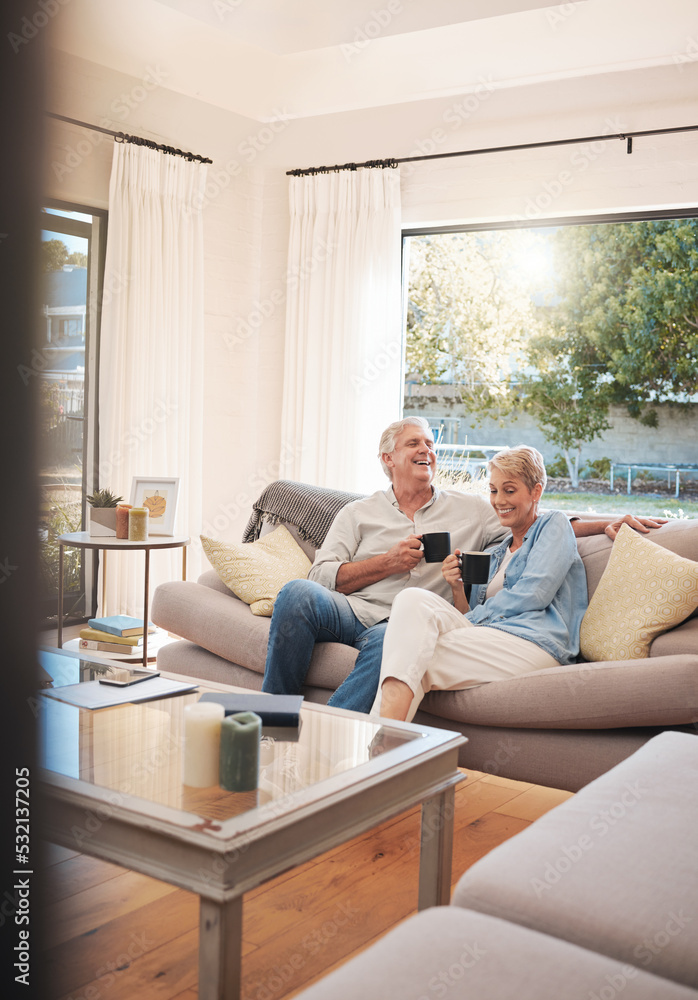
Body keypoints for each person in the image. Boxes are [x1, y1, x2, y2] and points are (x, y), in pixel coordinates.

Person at [262, 417, 665, 714]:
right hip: (352, 611)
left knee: (398, 643)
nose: (426, 450)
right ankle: (272, 716)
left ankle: (334, 730)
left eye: (430, 444)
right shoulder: (357, 513)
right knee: (297, 592)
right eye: (413, 443)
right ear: (388, 458)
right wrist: (387, 563)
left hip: (399, 625)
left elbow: (530, 521)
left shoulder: (473, 510)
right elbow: (321, 576)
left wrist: (604, 524)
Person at [372, 445, 589, 722]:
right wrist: (457, 588)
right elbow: (469, 619)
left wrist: (474, 618)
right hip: (492, 639)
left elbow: (534, 594)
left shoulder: (553, 525)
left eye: (509, 490)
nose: (499, 500)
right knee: (410, 611)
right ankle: (384, 751)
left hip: (537, 643)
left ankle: (374, 751)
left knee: (407, 656)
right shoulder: (495, 554)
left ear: (536, 492)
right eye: (494, 490)